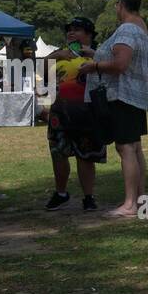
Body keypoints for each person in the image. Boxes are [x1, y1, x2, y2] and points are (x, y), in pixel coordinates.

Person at [76, 0, 148, 218]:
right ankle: (141, 203)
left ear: (121, 6)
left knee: (126, 148)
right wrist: (96, 53)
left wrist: (94, 66)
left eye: (116, 5)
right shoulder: (141, 28)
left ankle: (130, 205)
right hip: (135, 96)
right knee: (135, 148)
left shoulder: (126, 30)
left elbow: (121, 64)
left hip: (123, 96)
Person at [44, 16, 105, 212]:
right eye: (69, 29)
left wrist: (94, 54)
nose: (71, 32)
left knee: (85, 157)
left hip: (87, 113)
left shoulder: (97, 54)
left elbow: (113, 69)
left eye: (77, 29)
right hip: (59, 114)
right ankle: (61, 193)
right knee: (59, 154)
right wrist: (56, 56)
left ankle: (88, 197)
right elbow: (39, 71)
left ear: (89, 34)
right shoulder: (59, 54)